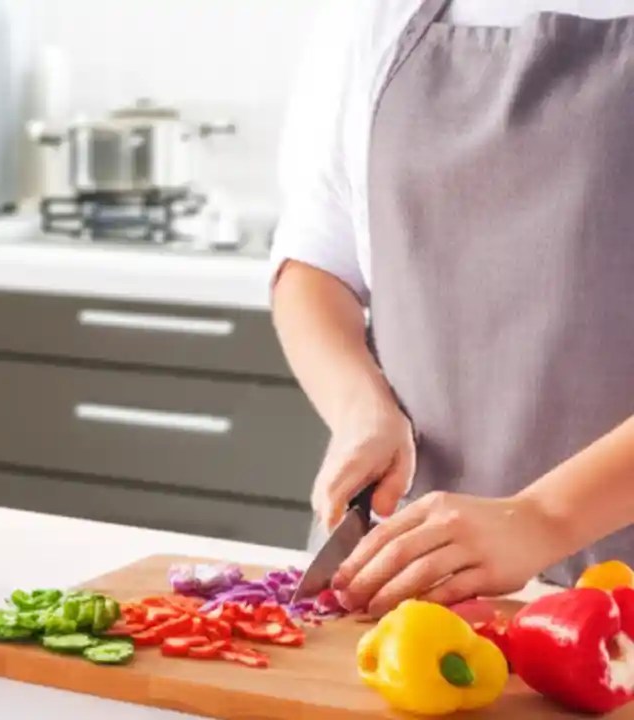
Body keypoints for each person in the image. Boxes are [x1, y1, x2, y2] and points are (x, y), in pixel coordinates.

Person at [270, 0, 634, 617]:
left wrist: (544, 517)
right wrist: (362, 409)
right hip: (407, 578)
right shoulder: (372, 15)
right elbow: (315, 259)